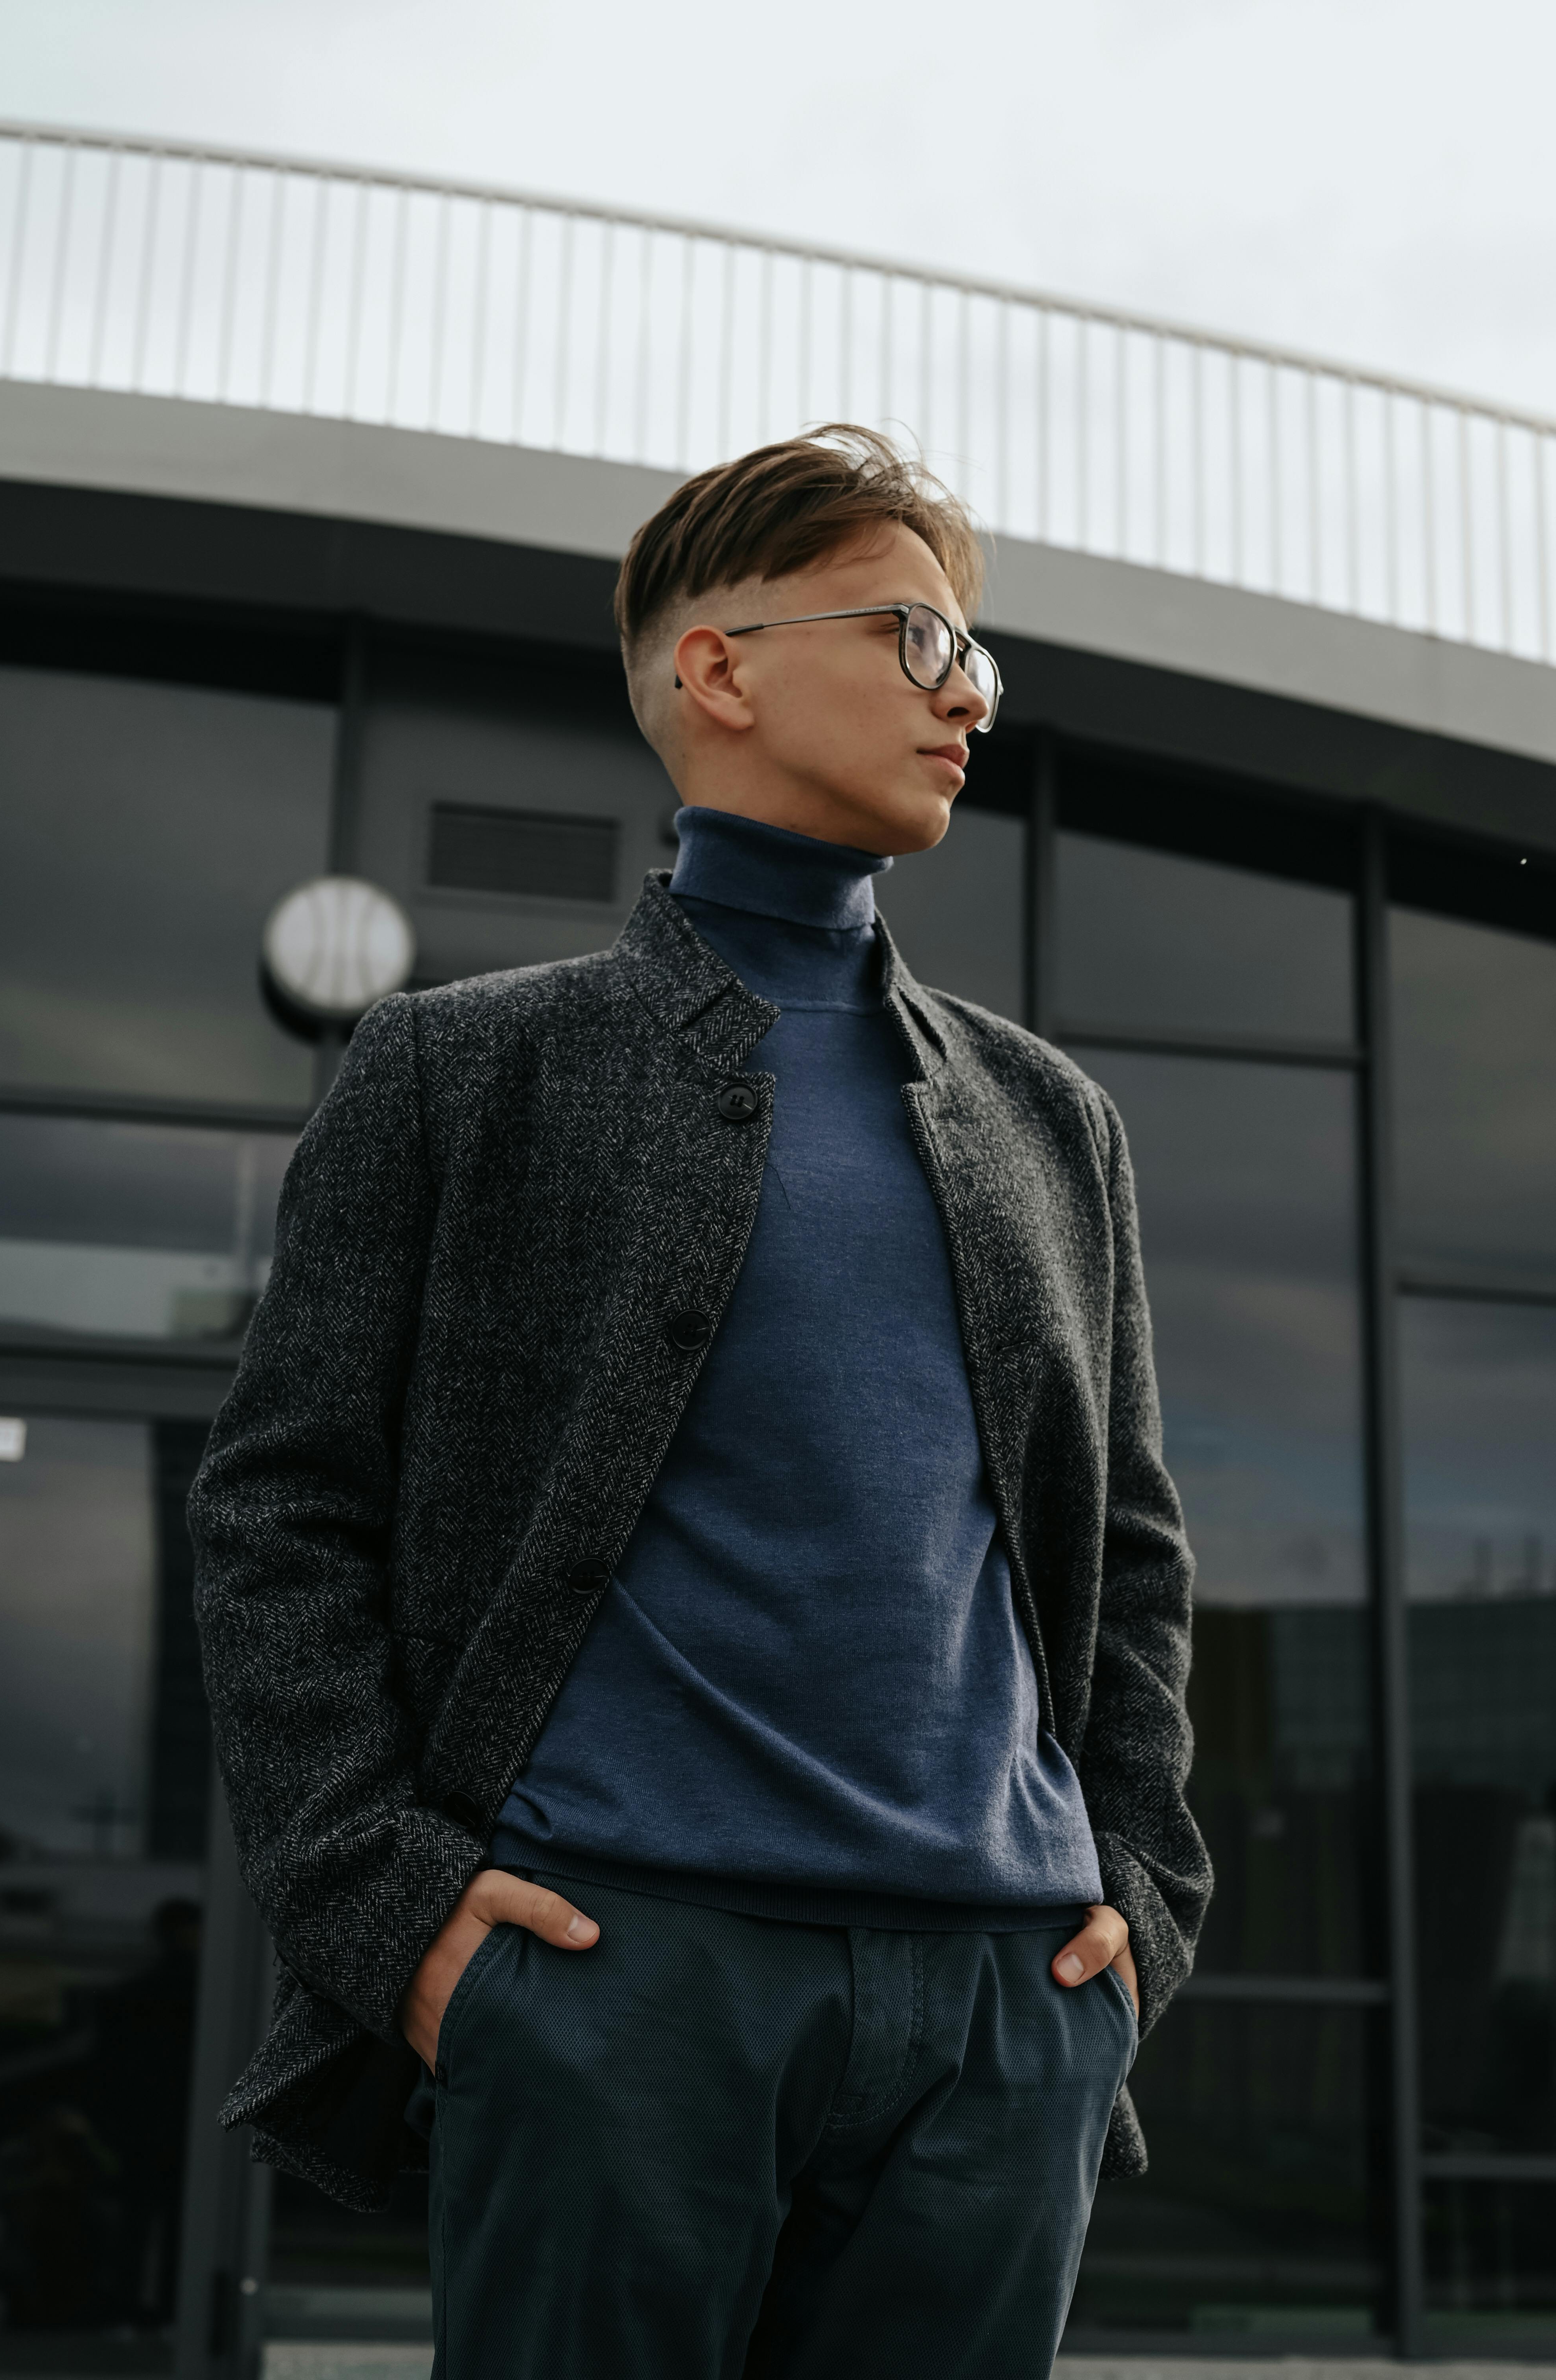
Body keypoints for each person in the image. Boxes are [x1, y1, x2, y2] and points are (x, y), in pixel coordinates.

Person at [191, 424, 1211, 2378]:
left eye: (978, 654)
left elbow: (1130, 1556)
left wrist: (1135, 1917)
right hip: (610, 1986)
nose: (969, 696)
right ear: (721, 668)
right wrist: (392, 1914)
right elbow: (276, 1513)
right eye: (917, 635)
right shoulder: (455, 1072)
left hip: (1002, 2004)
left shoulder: (1046, 1121)